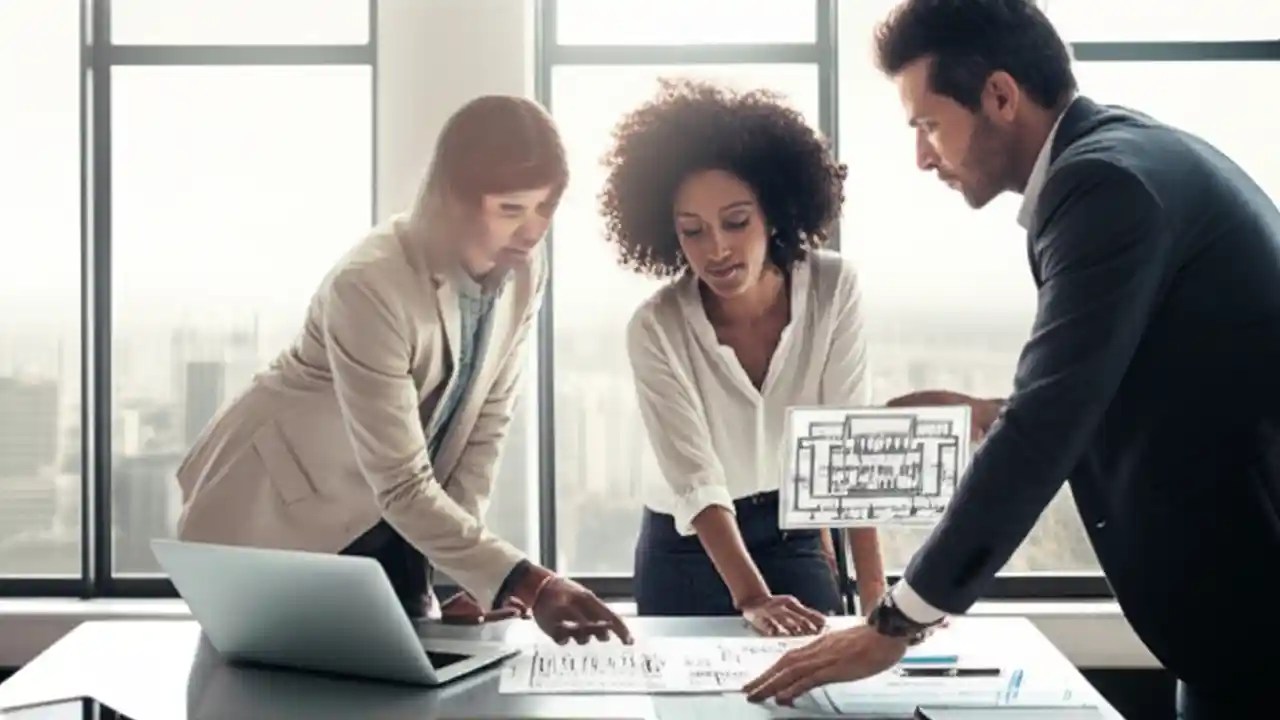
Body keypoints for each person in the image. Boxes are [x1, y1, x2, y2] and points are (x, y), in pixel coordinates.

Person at [745, 1, 1280, 715]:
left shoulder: (1104, 188)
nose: (923, 156)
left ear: (1000, 95)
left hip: (1257, 606)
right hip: (1231, 619)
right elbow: (1146, 379)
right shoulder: (1128, 159)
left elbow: (1049, 426)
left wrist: (897, 621)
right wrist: (991, 414)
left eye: (928, 125)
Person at [175, 95, 631, 647]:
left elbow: (483, 427)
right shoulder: (370, 285)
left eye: (544, 208)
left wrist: (469, 577)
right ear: (452, 200)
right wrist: (530, 584)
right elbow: (401, 481)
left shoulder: (525, 270)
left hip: (393, 520)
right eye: (511, 209)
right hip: (281, 520)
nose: (532, 231)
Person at [599, 78, 888, 636]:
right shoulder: (656, 326)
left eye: (736, 222)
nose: (718, 249)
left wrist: (878, 594)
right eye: (693, 231)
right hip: (685, 545)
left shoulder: (833, 288)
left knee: (819, 691)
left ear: (775, 213)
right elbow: (696, 480)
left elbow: (848, 443)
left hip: (790, 531)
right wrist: (752, 596)